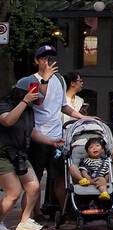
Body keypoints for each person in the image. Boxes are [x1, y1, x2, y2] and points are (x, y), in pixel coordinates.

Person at [17, 45, 85, 219]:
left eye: (51, 58)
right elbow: (38, 102)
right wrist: (44, 80)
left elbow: (63, 106)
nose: (48, 61)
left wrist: (82, 117)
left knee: (60, 177)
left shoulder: (60, 80)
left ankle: (66, 212)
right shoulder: (28, 81)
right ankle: (29, 216)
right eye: (44, 58)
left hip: (56, 138)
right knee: (34, 180)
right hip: (37, 137)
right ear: (36, 61)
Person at [0, 81, 43, 230]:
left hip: (19, 154)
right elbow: (7, 121)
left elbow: (31, 132)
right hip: (2, 154)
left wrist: (51, 141)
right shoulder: (4, 104)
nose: (37, 100)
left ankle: (24, 221)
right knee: (13, 192)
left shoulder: (29, 110)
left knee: (33, 186)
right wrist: (25, 101)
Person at [70, 136, 113, 203]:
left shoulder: (106, 161)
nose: (94, 148)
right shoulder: (87, 160)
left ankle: (104, 193)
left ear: (102, 150)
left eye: (97, 146)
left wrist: (105, 181)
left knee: (102, 180)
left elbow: (106, 173)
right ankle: (81, 179)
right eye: (91, 147)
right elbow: (84, 171)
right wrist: (88, 179)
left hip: (98, 180)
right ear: (87, 152)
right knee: (72, 167)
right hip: (85, 180)